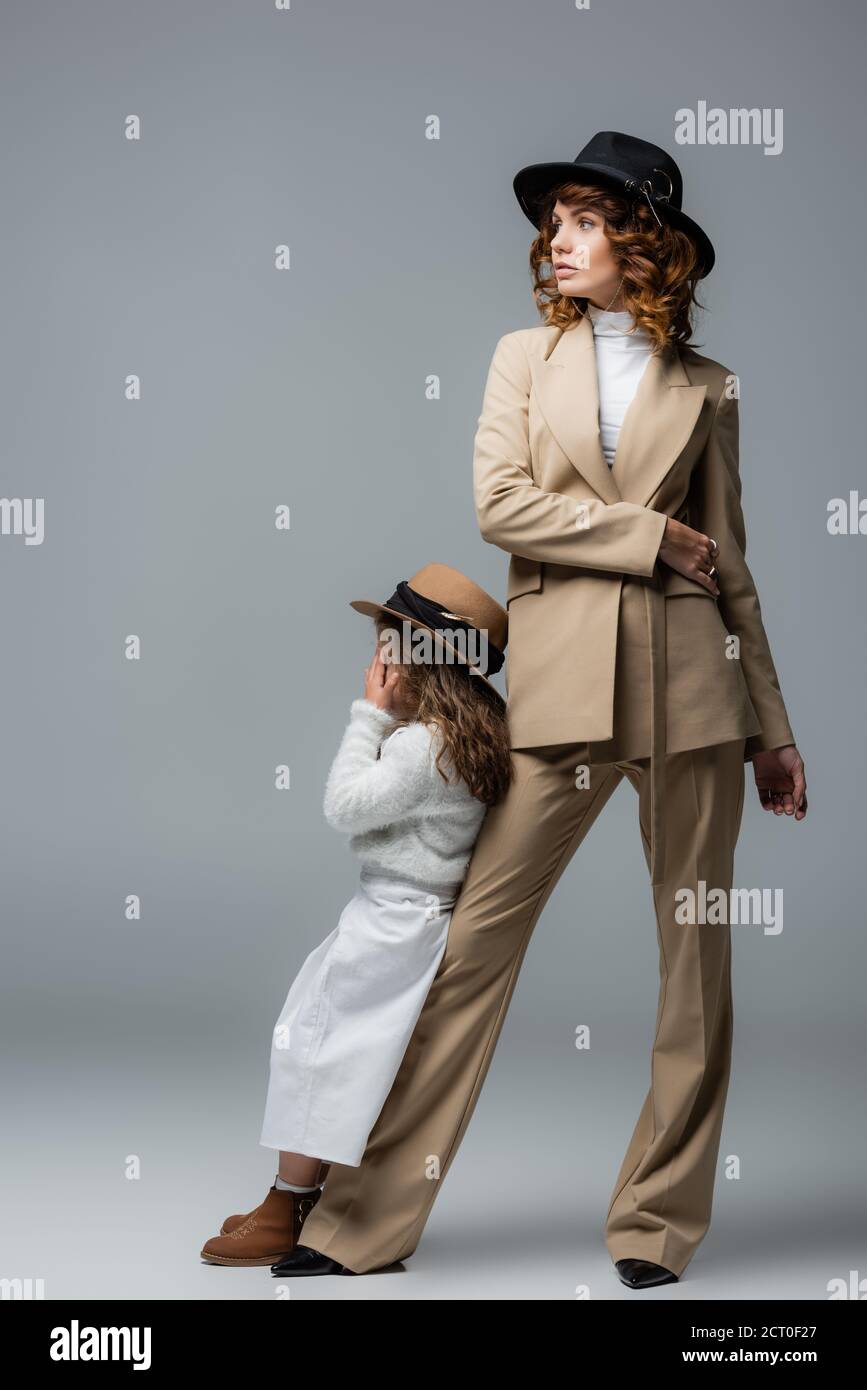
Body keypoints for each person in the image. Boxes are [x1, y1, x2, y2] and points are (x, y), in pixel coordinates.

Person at [282, 131, 808, 1288]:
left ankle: (656, 1225)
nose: (555, 240)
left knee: (694, 968)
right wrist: (644, 536)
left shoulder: (709, 390)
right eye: (555, 221)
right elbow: (501, 505)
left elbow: (733, 567)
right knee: (468, 953)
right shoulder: (523, 358)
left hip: (695, 702)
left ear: (642, 243)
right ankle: (360, 1222)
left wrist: (771, 722)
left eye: (582, 220)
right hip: (562, 700)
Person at [199, 563, 512, 1268]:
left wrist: (366, 715)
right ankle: (303, 1193)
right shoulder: (478, 736)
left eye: (382, 656)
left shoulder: (418, 746)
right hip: (412, 919)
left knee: (314, 1046)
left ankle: (288, 1201)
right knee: (339, 1050)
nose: (372, 667)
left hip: (387, 920)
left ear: (417, 667)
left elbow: (343, 805)